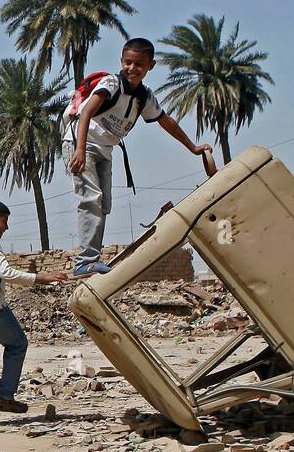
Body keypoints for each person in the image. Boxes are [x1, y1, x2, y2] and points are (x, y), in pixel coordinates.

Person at [64, 37, 212, 276]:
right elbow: (86, 113)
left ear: (150, 66)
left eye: (139, 64)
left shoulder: (144, 97)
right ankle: (85, 261)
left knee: (103, 204)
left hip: (105, 148)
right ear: (121, 61)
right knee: (91, 198)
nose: (132, 69)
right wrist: (79, 150)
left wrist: (193, 148)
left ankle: (91, 258)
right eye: (128, 63)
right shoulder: (111, 84)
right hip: (81, 142)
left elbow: (167, 122)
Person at [0, 200, 67, 427]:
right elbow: (6, 272)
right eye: (4, 221)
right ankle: (4, 396)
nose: (6, 227)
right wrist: (41, 277)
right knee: (18, 344)